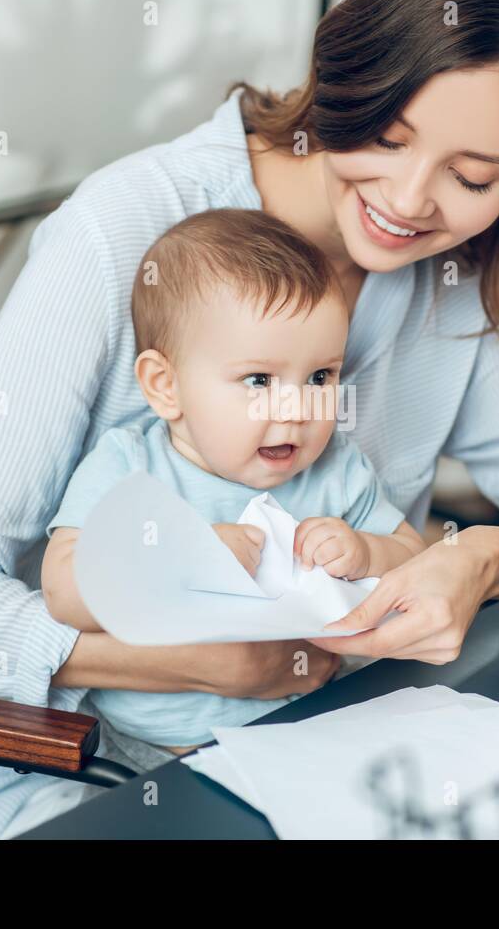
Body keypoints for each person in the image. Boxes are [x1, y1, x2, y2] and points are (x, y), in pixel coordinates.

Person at [0, 0, 499, 839]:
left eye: (472, 177)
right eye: (387, 137)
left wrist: (482, 564)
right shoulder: (121, 234)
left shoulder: (457, 279)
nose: (407, 201)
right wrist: (186, 665)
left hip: (312, 763)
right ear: (342, 76)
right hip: (60, 778)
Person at [40, 208, 425, 754]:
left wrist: (366, 552)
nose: (294, 409)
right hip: (153, 752)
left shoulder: (336, 468)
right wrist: (186, 555)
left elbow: (415, 558)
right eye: (259, 379)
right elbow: (63, 590)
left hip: (315, 729)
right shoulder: (131, 468)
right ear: (165, 385)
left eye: (320, 376)